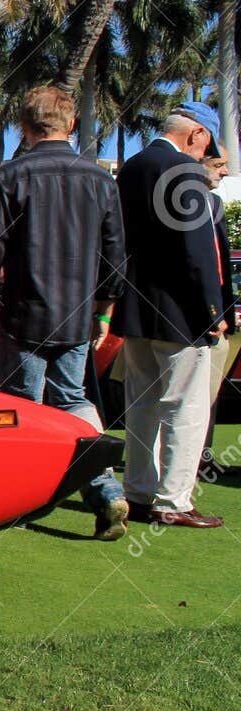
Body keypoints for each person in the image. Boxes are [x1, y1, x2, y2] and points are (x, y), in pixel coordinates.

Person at [0, 86, 129, 540]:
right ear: (71, 124)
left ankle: (17, 498)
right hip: (77, 315)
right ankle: (104, 490)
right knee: (71, 403)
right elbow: (116, 255)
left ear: (24, 126)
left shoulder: (12, 175)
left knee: (18, 406)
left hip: (24, 313)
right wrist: (103, 311)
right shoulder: (100, 180)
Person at [112, 101, 229, 528]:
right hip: (180, 313)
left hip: (137, 308)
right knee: (186, 406)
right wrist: (213, 310)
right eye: (206, 144)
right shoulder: (185, 171)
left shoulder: (132, 168)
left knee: (141, 403)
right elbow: (196, 252)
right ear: (197, 134)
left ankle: (139, 491)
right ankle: (173, 500)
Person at [200, 147, 239, 478]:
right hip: (189, 323)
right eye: (219, 164)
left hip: (218, 323)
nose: (225, 172)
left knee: (209, 397)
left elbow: (222, 264)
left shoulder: (214, 205)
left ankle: (202, 457)